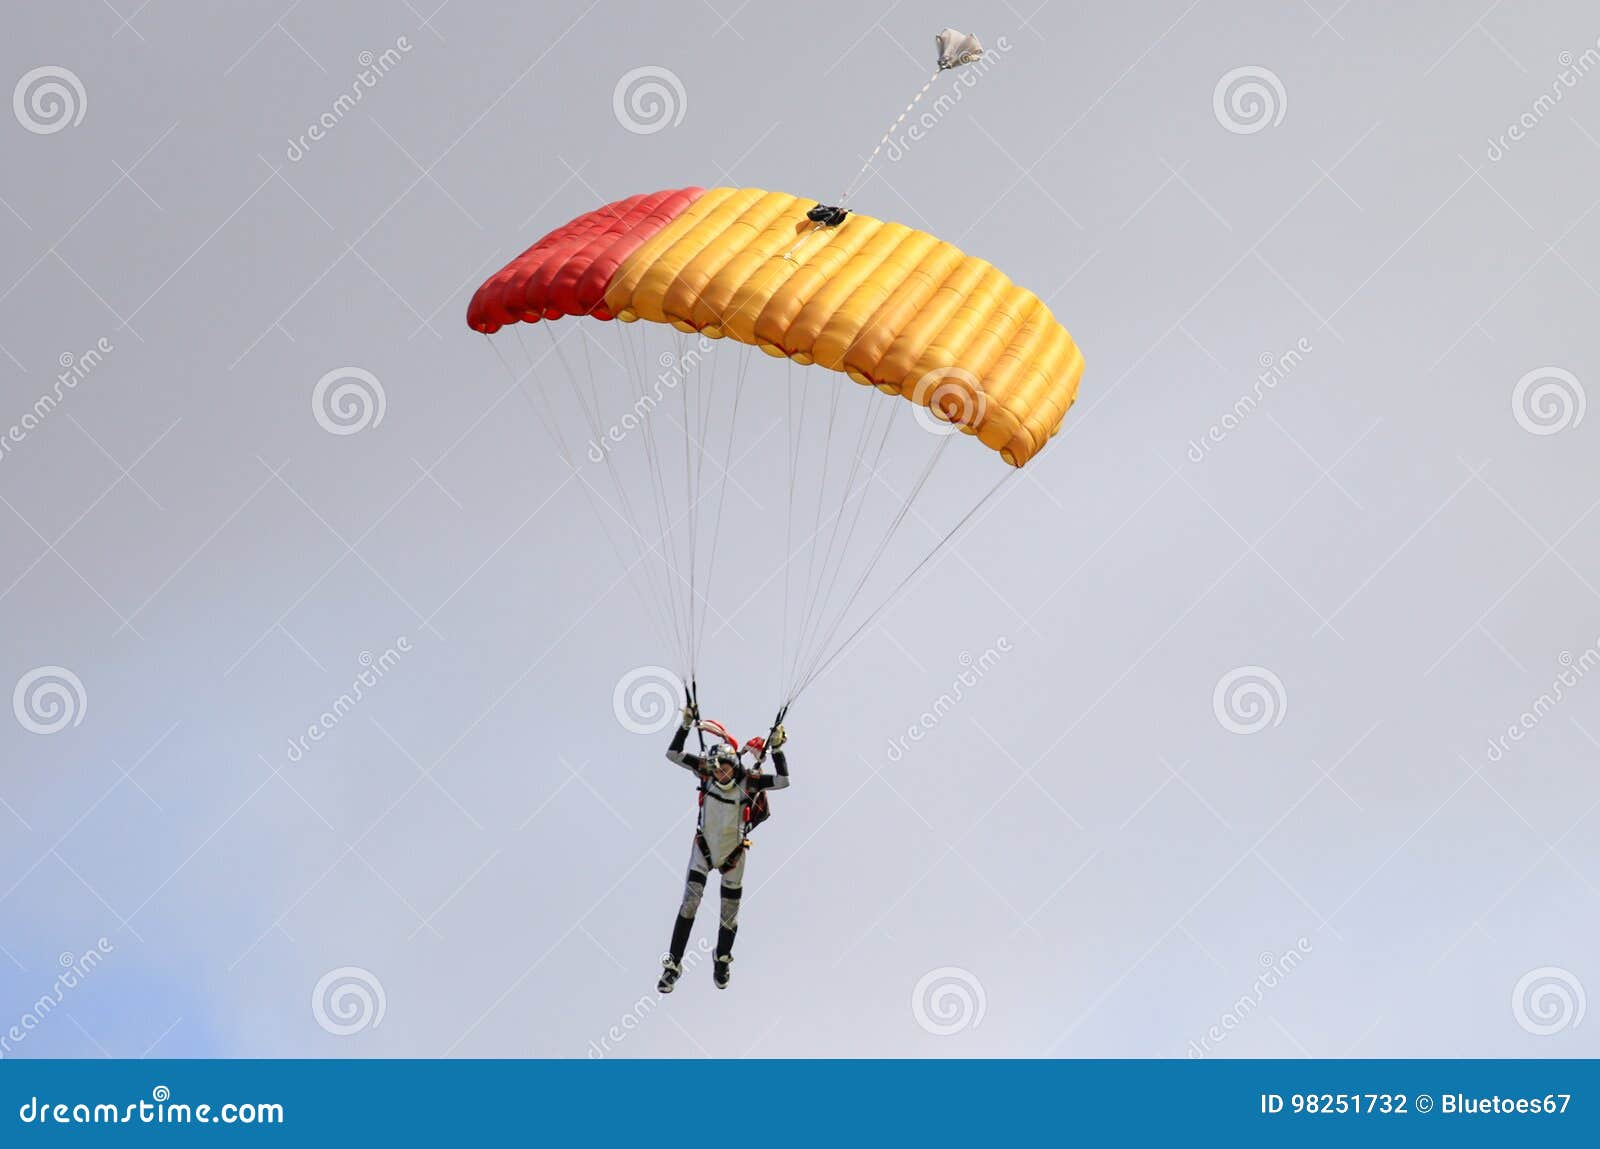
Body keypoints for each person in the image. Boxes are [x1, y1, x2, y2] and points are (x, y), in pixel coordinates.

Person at [657, 706, 788, 992]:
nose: (719, 772)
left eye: (724, 767)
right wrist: (685, 725)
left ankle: (722, 959)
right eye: (715, 768)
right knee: (690, 904)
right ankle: (673, 965)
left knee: (729, 913)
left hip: (733, 855)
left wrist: (776, 750)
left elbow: (782, 781)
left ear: (734, 765)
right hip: (703, 850)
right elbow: (673, 755)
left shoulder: (748, 781)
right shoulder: (705, 773)